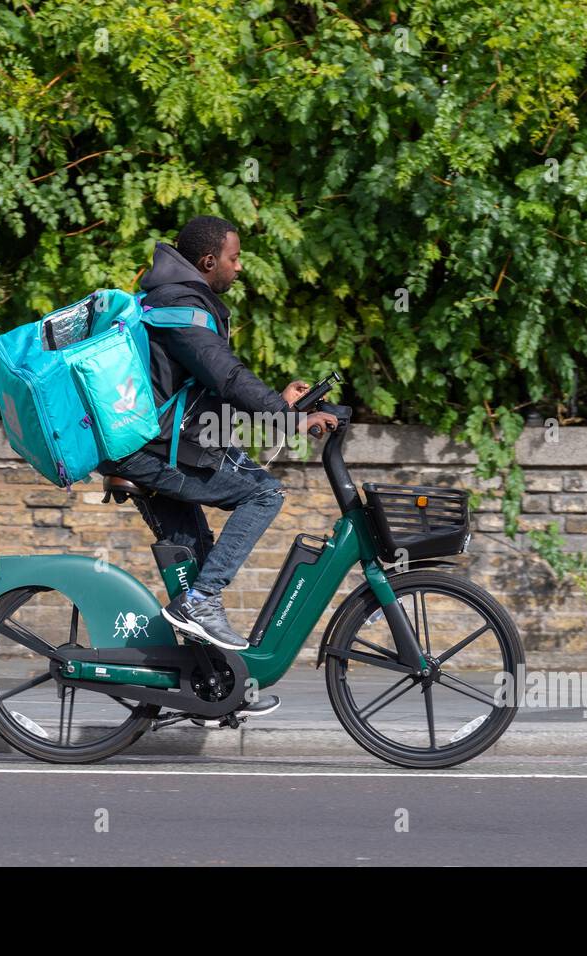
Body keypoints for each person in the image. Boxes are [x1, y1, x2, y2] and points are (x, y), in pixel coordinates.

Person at [98, 216, 337, 715]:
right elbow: (226, 378)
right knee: (263, 492)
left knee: (194, 557)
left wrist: (280, 405)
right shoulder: (180, 306)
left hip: (157, 448)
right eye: (235, 258)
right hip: (153, 452)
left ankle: (215, 685)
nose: (239, 266)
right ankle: (203, 601)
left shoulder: (176, 301)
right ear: (209, 262)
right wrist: (286, 418)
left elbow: (207, 386)